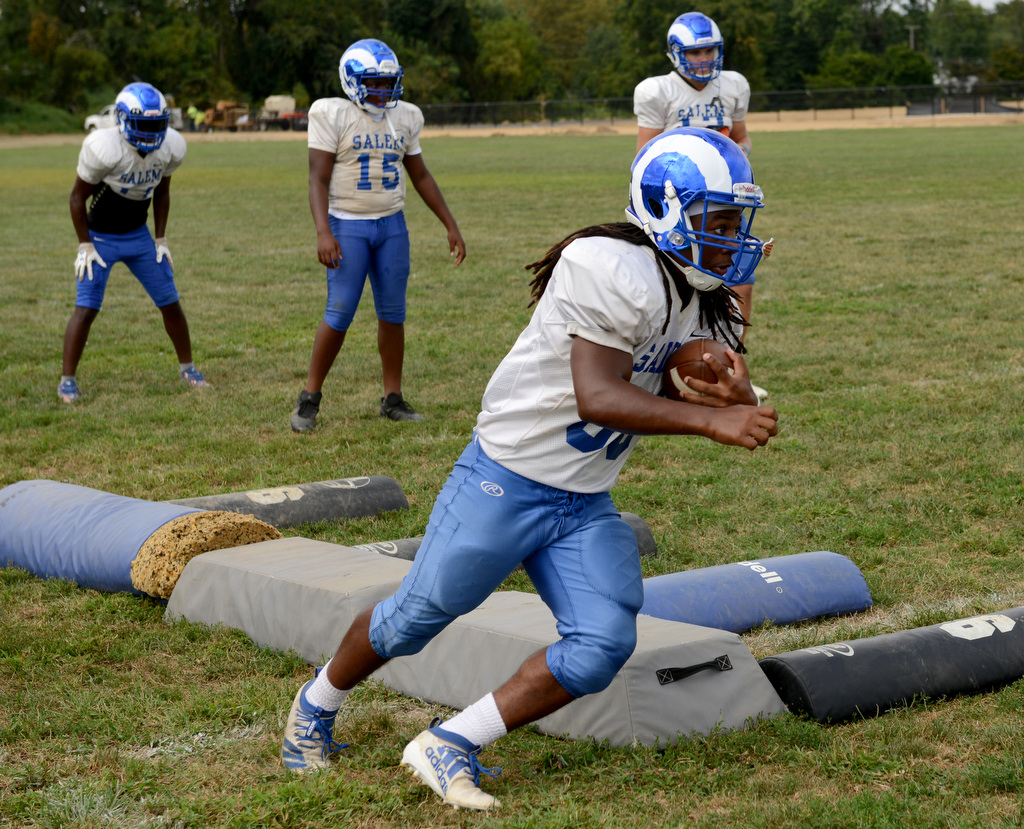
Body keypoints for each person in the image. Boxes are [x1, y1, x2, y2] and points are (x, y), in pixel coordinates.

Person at [280, 127, 778, 810]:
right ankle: (316, 701)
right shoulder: (608, 264)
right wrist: (712, 419)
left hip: (582, 499)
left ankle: (451, 741)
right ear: (665, 209)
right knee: (413, 619)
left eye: (736, 224)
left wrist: (734, 392)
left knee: (602, 641)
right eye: (717, 222)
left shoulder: (700, 293)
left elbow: (699, 384)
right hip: (506, 479)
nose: (731, 239)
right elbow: (598, 394)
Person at [291, 38, 466, 431]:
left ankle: (392, 398)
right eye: (375, 82)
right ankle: (309, 398)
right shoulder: (332, 114)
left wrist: (450, 224)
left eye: (389, 83)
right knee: (339, 312)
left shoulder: (404, 117)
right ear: (351, 80)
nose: (383, 90)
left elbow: (419, 174)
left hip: (391, 225)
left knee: (393, 313)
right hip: (346, 223)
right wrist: (323, 231)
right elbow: (317, 180)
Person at [632, 12, 768, 399]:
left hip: (724, 197)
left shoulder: (733, 86)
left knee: (739, 272)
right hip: (685, 200)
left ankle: (727, 367)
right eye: (695, 52)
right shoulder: (658, 91)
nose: (704, 58)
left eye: (710, 49)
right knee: (677, 280)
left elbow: (741, 137)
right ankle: (664, 366)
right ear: (676, 54)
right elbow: (647, 155)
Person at [59, 81, 206, 404]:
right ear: (123, 120)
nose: (152, 132)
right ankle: (67, 381)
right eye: (144, 124)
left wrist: (160, 237)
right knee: (86, 309)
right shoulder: (103, 147)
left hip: (139, 237)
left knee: (170, 302)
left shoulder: (170, 147)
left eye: (157, 125)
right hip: (100, 239)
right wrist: (85, 244)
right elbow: (75, 199)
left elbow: (163, 193)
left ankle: (188, 369)